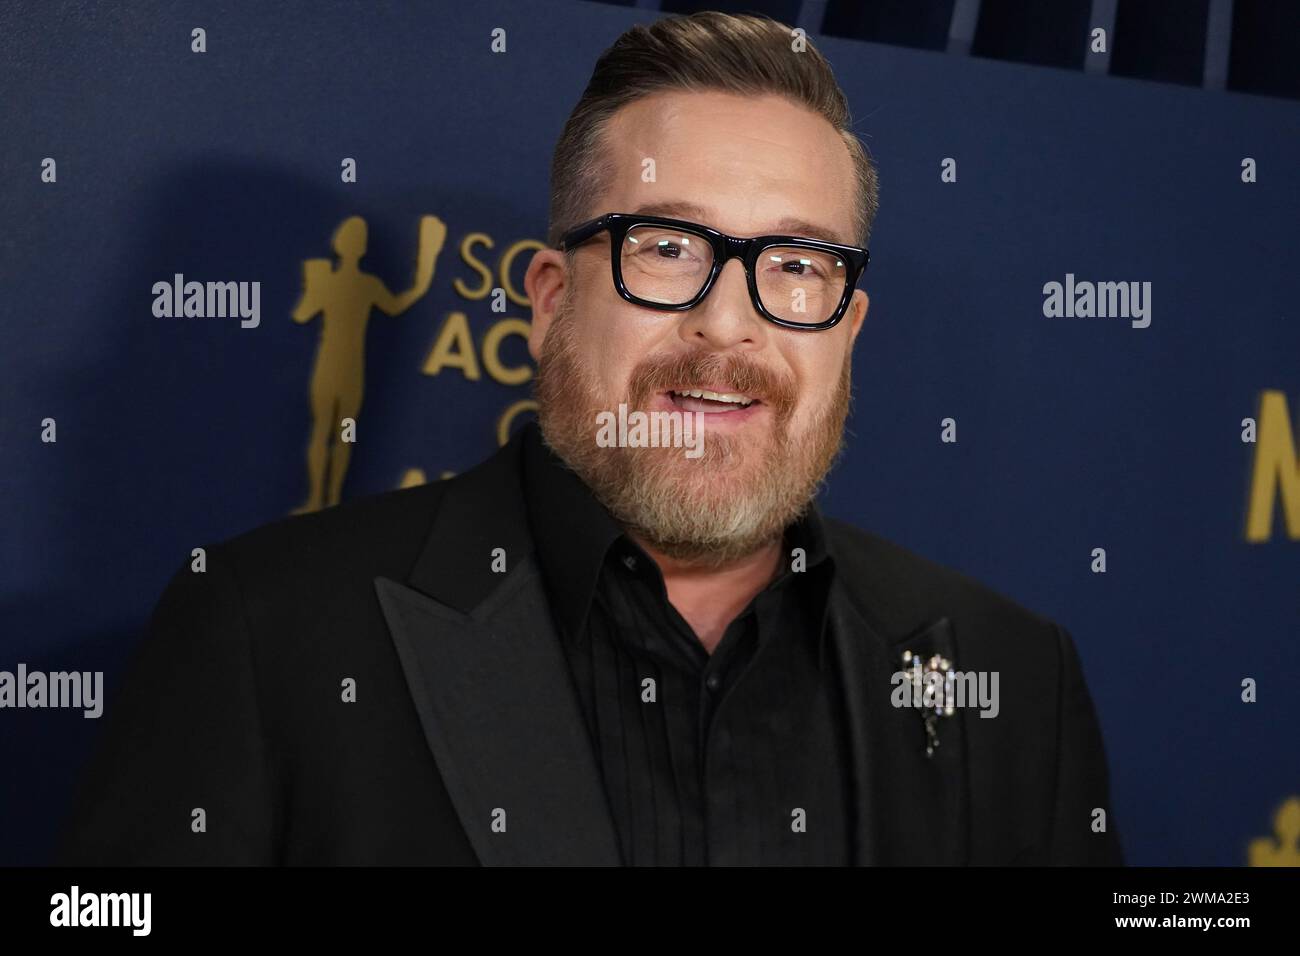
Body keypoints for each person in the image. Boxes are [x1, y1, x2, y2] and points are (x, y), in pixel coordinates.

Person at [58, 11, 1121, 866]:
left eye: (796, 267)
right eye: (668, 247)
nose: (728, 324)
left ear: (847, 328)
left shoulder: (1010, 678)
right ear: (551, 297)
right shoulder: (267, 634)